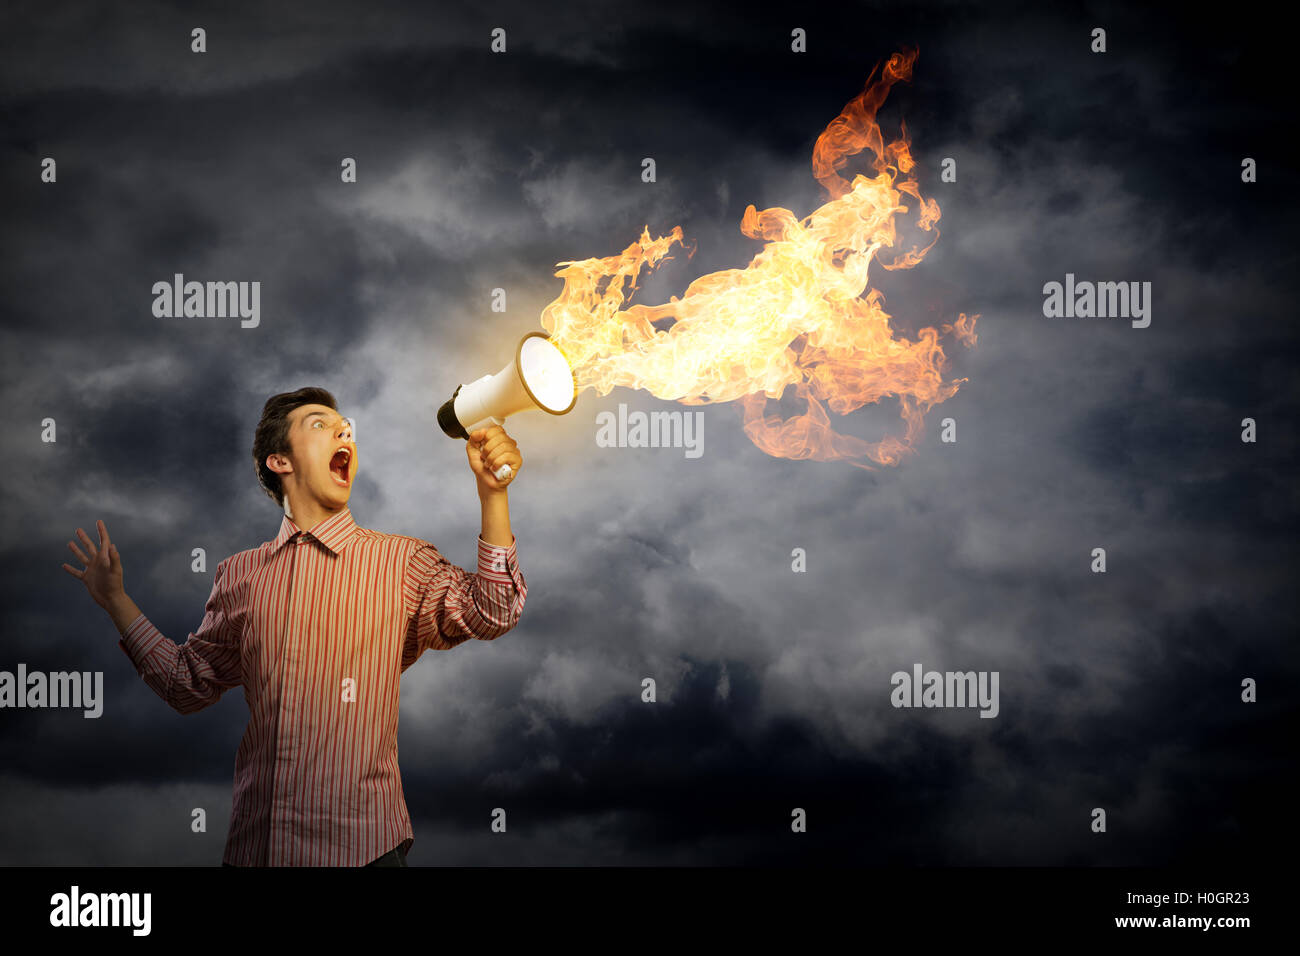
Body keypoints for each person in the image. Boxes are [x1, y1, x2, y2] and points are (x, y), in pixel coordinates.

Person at [60, 387, 527, 866]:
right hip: (255, 853)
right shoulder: (239, 574)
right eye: (320, 424)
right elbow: (186, 685)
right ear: (279, 461)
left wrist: (493, 495)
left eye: (346, 425)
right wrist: (115, 600)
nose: (345, 429)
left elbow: (494, 610)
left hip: (365, 853)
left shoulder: (401, 563)